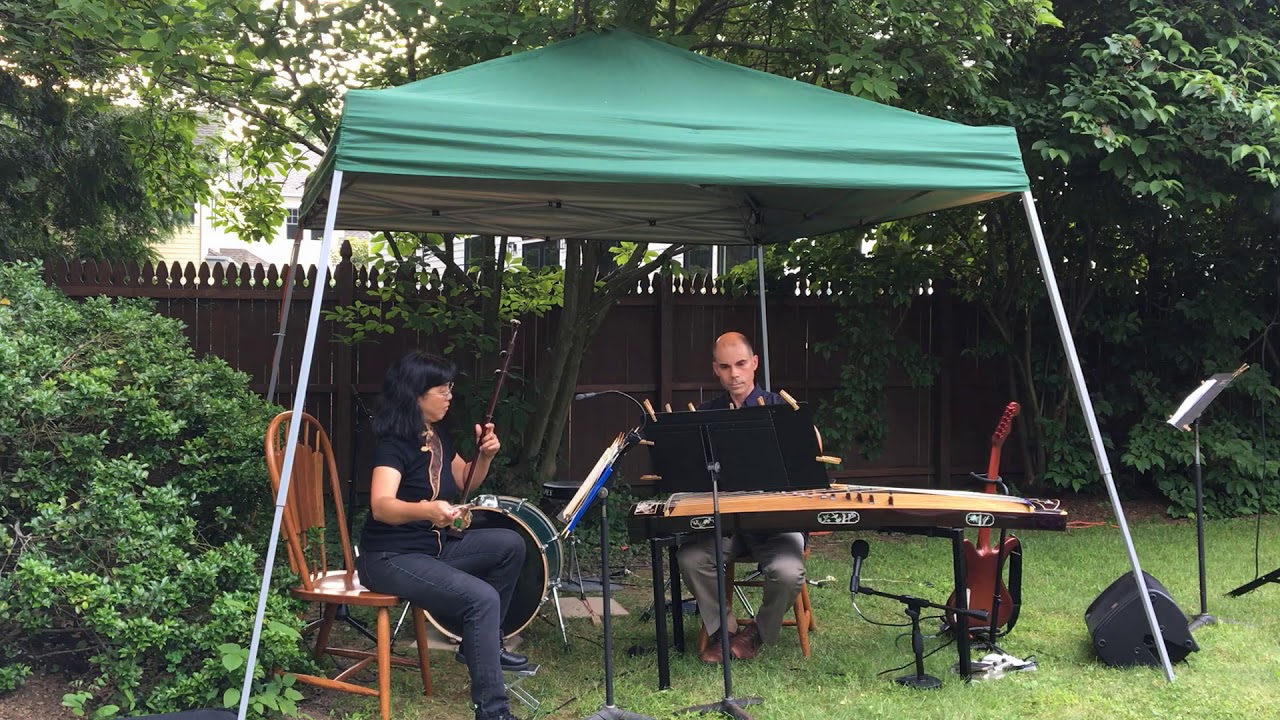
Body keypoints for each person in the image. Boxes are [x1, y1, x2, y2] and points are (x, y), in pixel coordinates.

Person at [356, 351, 527, 720]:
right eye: (443, 389)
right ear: (416, 393)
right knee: (481, 599)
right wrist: (427, 510)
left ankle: (479, 646)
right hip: (389, 558)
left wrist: (485, 457)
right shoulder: (394, 444)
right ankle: (493, 712)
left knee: (510, 545)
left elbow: (465, 479)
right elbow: (381, 506)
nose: (450, 395)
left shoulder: (436, 435)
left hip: (429, 549)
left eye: (450, 387)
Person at [676, 332, 808, 664]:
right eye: (725, 366)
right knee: (690, 558)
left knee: (789, 572)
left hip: (776, 527)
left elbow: (806, 475)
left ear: (754, 364)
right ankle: (725, 632)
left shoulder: (783, 410)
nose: (734, 374)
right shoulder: (705, 416)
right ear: (715, 370)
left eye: (740, 364)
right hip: (728, 527)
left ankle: (755, 635)